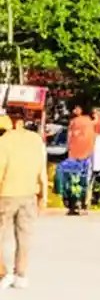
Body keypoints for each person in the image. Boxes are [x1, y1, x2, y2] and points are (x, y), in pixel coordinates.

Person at [0, 117, 49, 290]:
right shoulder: (36, 140)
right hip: (29, 194)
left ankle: (3, 273)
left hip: (6, 195)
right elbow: (42, 169)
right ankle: (20, 274)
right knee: (24, 237)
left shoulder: (3, 142)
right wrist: (44, 195)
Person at [63, 106, 98, 214]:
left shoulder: (73, 122)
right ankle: (83, 205)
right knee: (85, 180)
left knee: (74, 180)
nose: (73, 111)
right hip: (87, 155)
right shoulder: (92, 122)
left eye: (75, 108)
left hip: (75, 155)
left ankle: (75, 205)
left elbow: (68, 139)